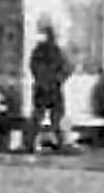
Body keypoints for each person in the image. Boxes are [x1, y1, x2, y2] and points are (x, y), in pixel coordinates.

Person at [26, 17, 75, 153]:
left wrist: (43, 80)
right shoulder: (55, 51)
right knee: (55, 115)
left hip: (43, 86)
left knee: (40, 115)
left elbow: (34, 67)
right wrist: (57, 79)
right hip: (52, 87)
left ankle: (31, 143)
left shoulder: (40, 51)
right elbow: (66, 68)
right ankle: (59, 142)